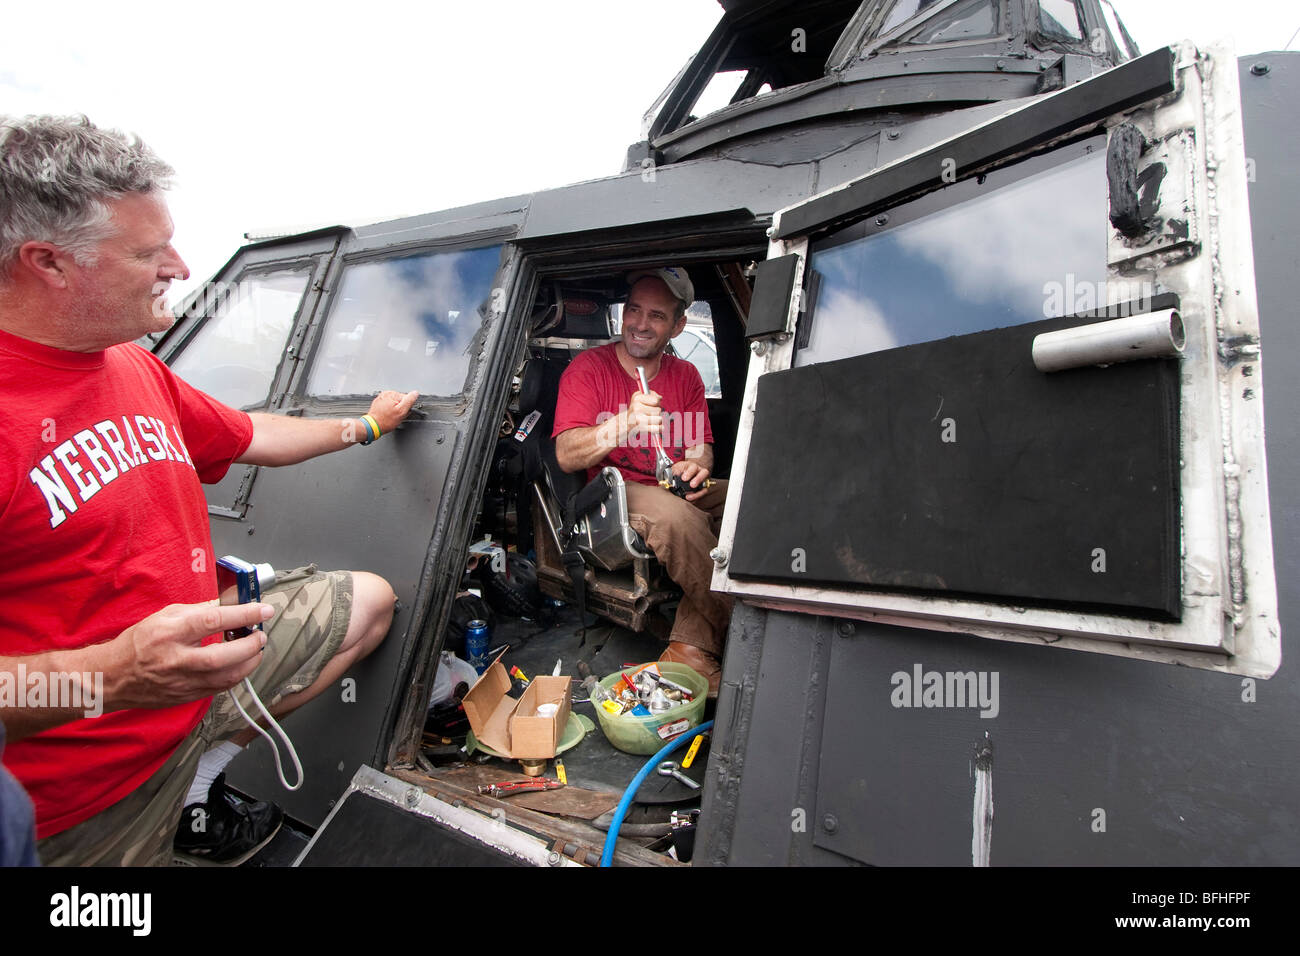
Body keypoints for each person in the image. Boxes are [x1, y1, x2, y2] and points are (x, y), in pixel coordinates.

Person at [0, 114, 415, 866]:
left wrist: (366, 426)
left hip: (198, 669)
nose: (183, 268)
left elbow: (249, 435)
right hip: (86, 793)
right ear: (48, 262)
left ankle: (202, 775)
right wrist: (116, 676)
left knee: (369, 604)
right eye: (149, 253)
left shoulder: (126, 362)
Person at [552, 266, 731, 693]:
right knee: (679, 520)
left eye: (655, 315)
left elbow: (700, 444)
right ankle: (744, 628)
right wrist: (627, 420)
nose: (639, 323)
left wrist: (697, 465)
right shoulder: (587, 368)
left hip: (668, 483)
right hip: (612, 493)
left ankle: (690, 647)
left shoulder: (685, 375)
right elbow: (565, 455)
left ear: (678, 325)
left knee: (751, 497)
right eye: (634, 310)